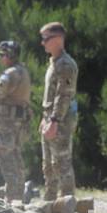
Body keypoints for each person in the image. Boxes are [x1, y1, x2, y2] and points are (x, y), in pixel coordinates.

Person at [0, 40, 34, 203]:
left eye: (2, 55)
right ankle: (18, 195)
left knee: (6, 159)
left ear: (9, 55)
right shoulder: (24, 72)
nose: (1, 58)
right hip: (19, 123)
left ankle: (13, 197)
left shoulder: (10, 74)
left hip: (7, 123)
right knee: (15, 157)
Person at [38, 22, 79, 202]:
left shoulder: (65, 64)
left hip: (60, 119)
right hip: (50, 117)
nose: (43, 43)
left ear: (58, 39)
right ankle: (50, 203)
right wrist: (45, 118)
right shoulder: (53, 63)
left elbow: (63, 95)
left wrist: (54, 120)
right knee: (48, 165)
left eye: (46, 38)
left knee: (61, 163)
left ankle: (67, 205)